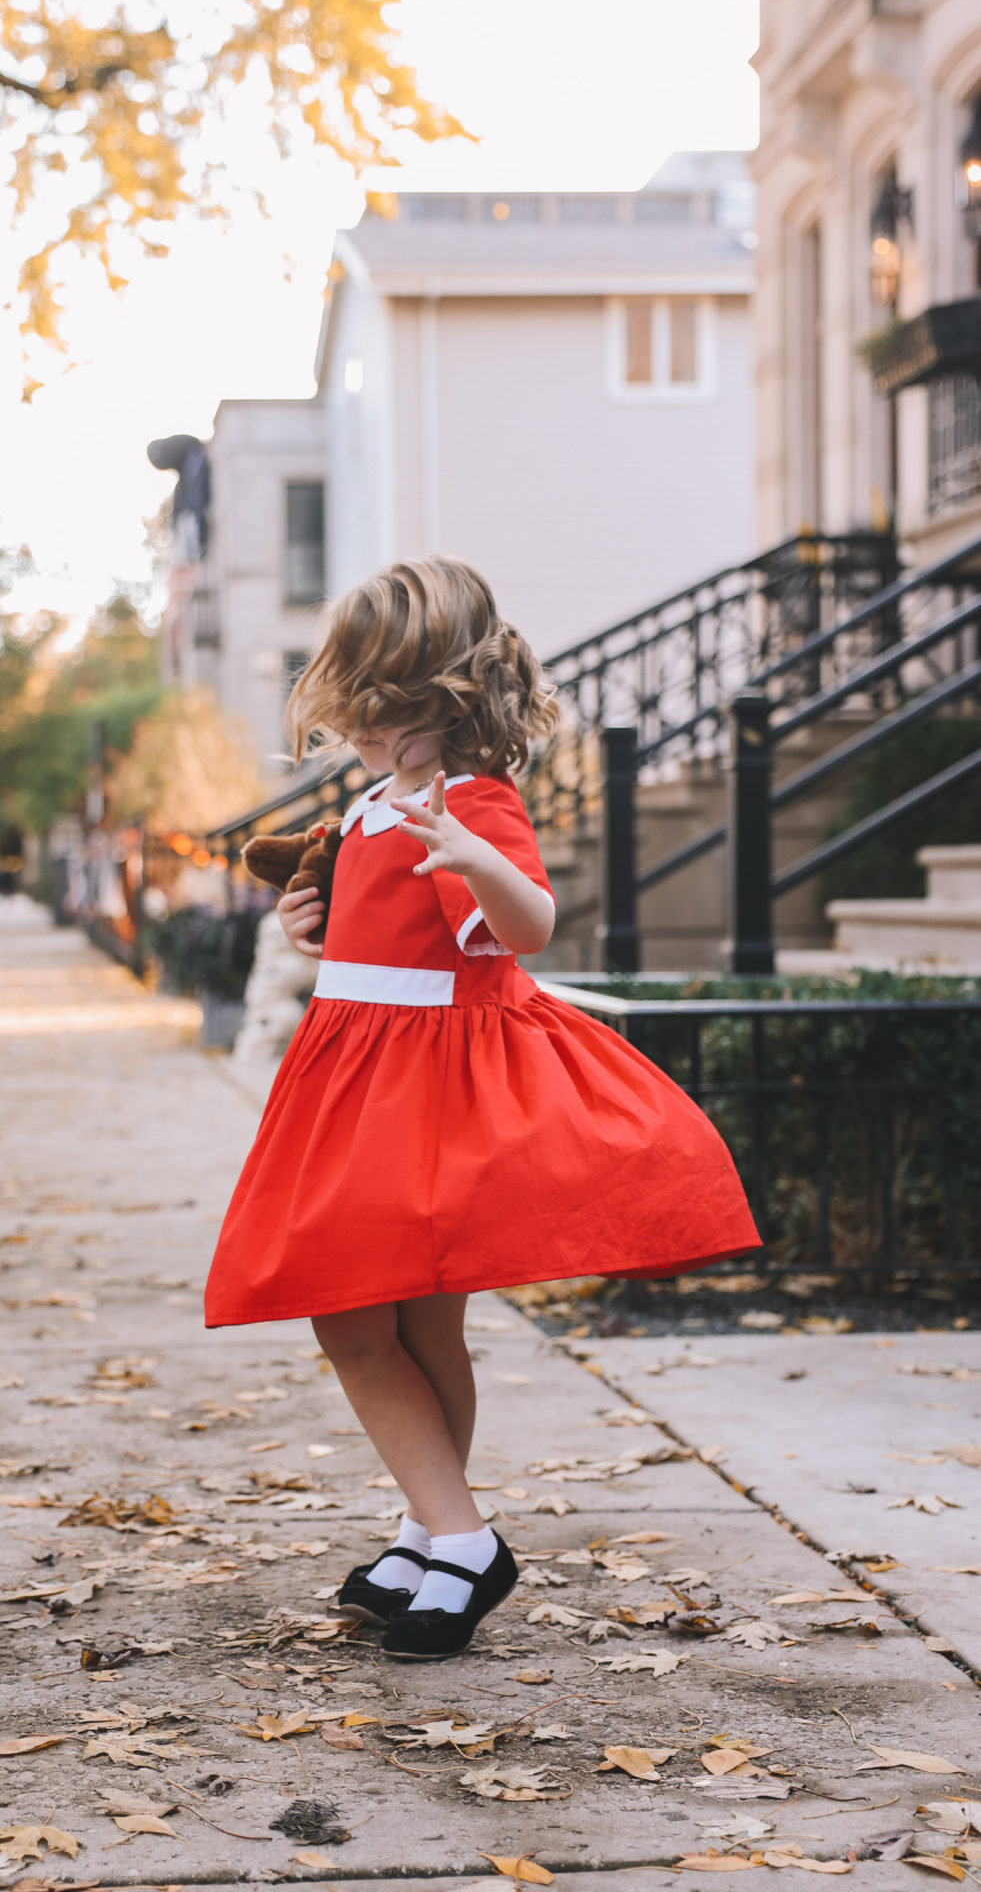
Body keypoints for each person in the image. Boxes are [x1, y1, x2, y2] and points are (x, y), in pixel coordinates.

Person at [204, 556, 759, 1662]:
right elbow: (374, 934)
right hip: (360, 1073)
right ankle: (428, 1530)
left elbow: (532, 925)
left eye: (370, 709)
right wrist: (310, 931)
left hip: (418, 1094)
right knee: (406, 1321)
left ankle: (461, 1535)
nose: (354, 730)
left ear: (427, 705)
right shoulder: (372, 804)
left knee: (354, 1314)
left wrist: (472, 857)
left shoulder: (472, 802)